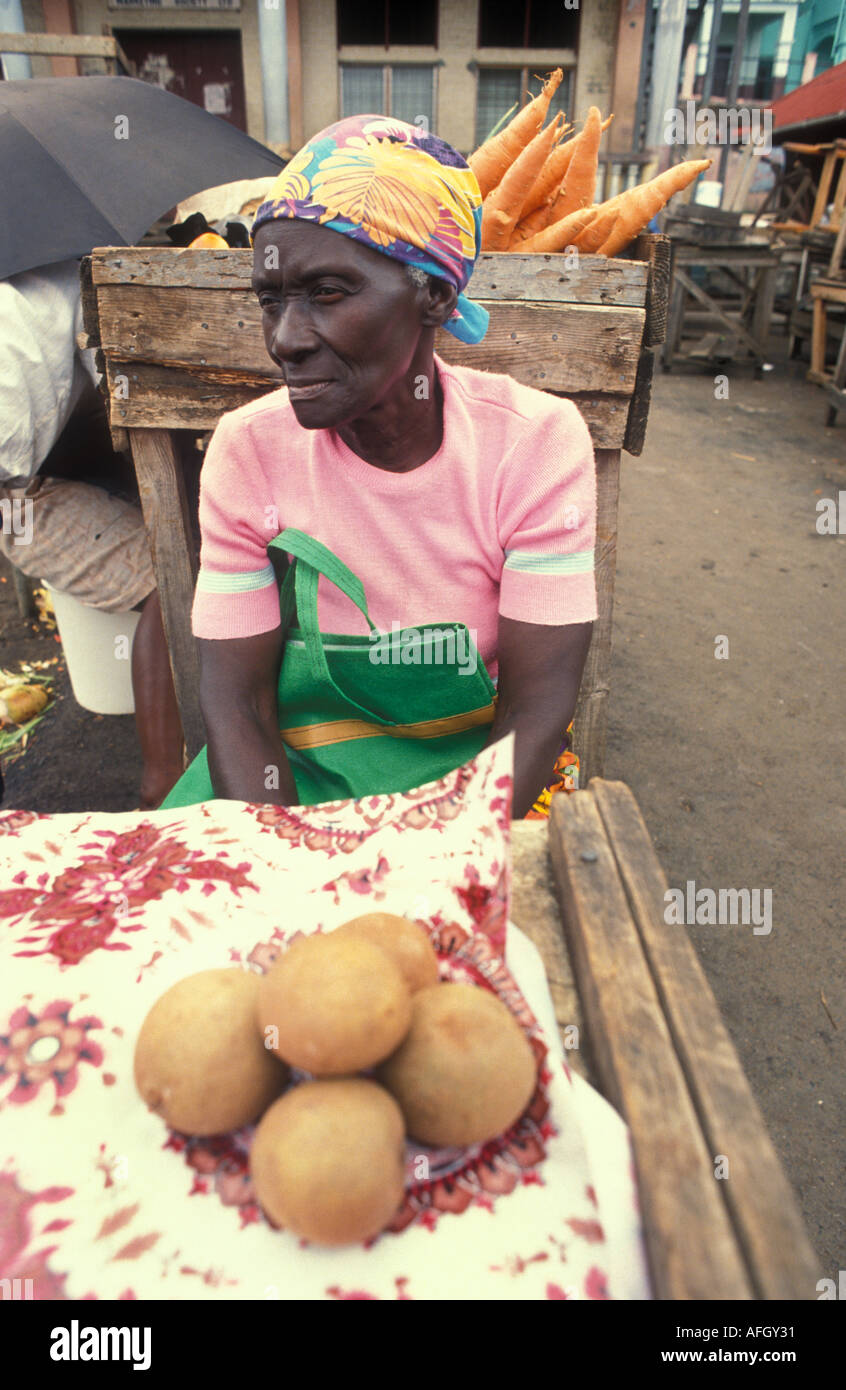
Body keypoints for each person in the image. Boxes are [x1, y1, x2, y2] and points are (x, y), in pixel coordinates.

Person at [164, 114, 597, 819]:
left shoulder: (534, 445)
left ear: (435, 296)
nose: (285, 340)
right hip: (290, 775)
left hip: (471, 781)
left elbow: (538, 706)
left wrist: (436, 861)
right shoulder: (247, 451)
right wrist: (285, 861)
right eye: (270, 301)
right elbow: (237, 706)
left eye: (327, 293)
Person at [0, 258, 185, 809]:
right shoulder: (96, 275)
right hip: (11, 494)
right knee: (171, 581)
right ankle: (163, 787)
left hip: (18, 479)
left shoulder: (28, 282)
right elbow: (129, 401)